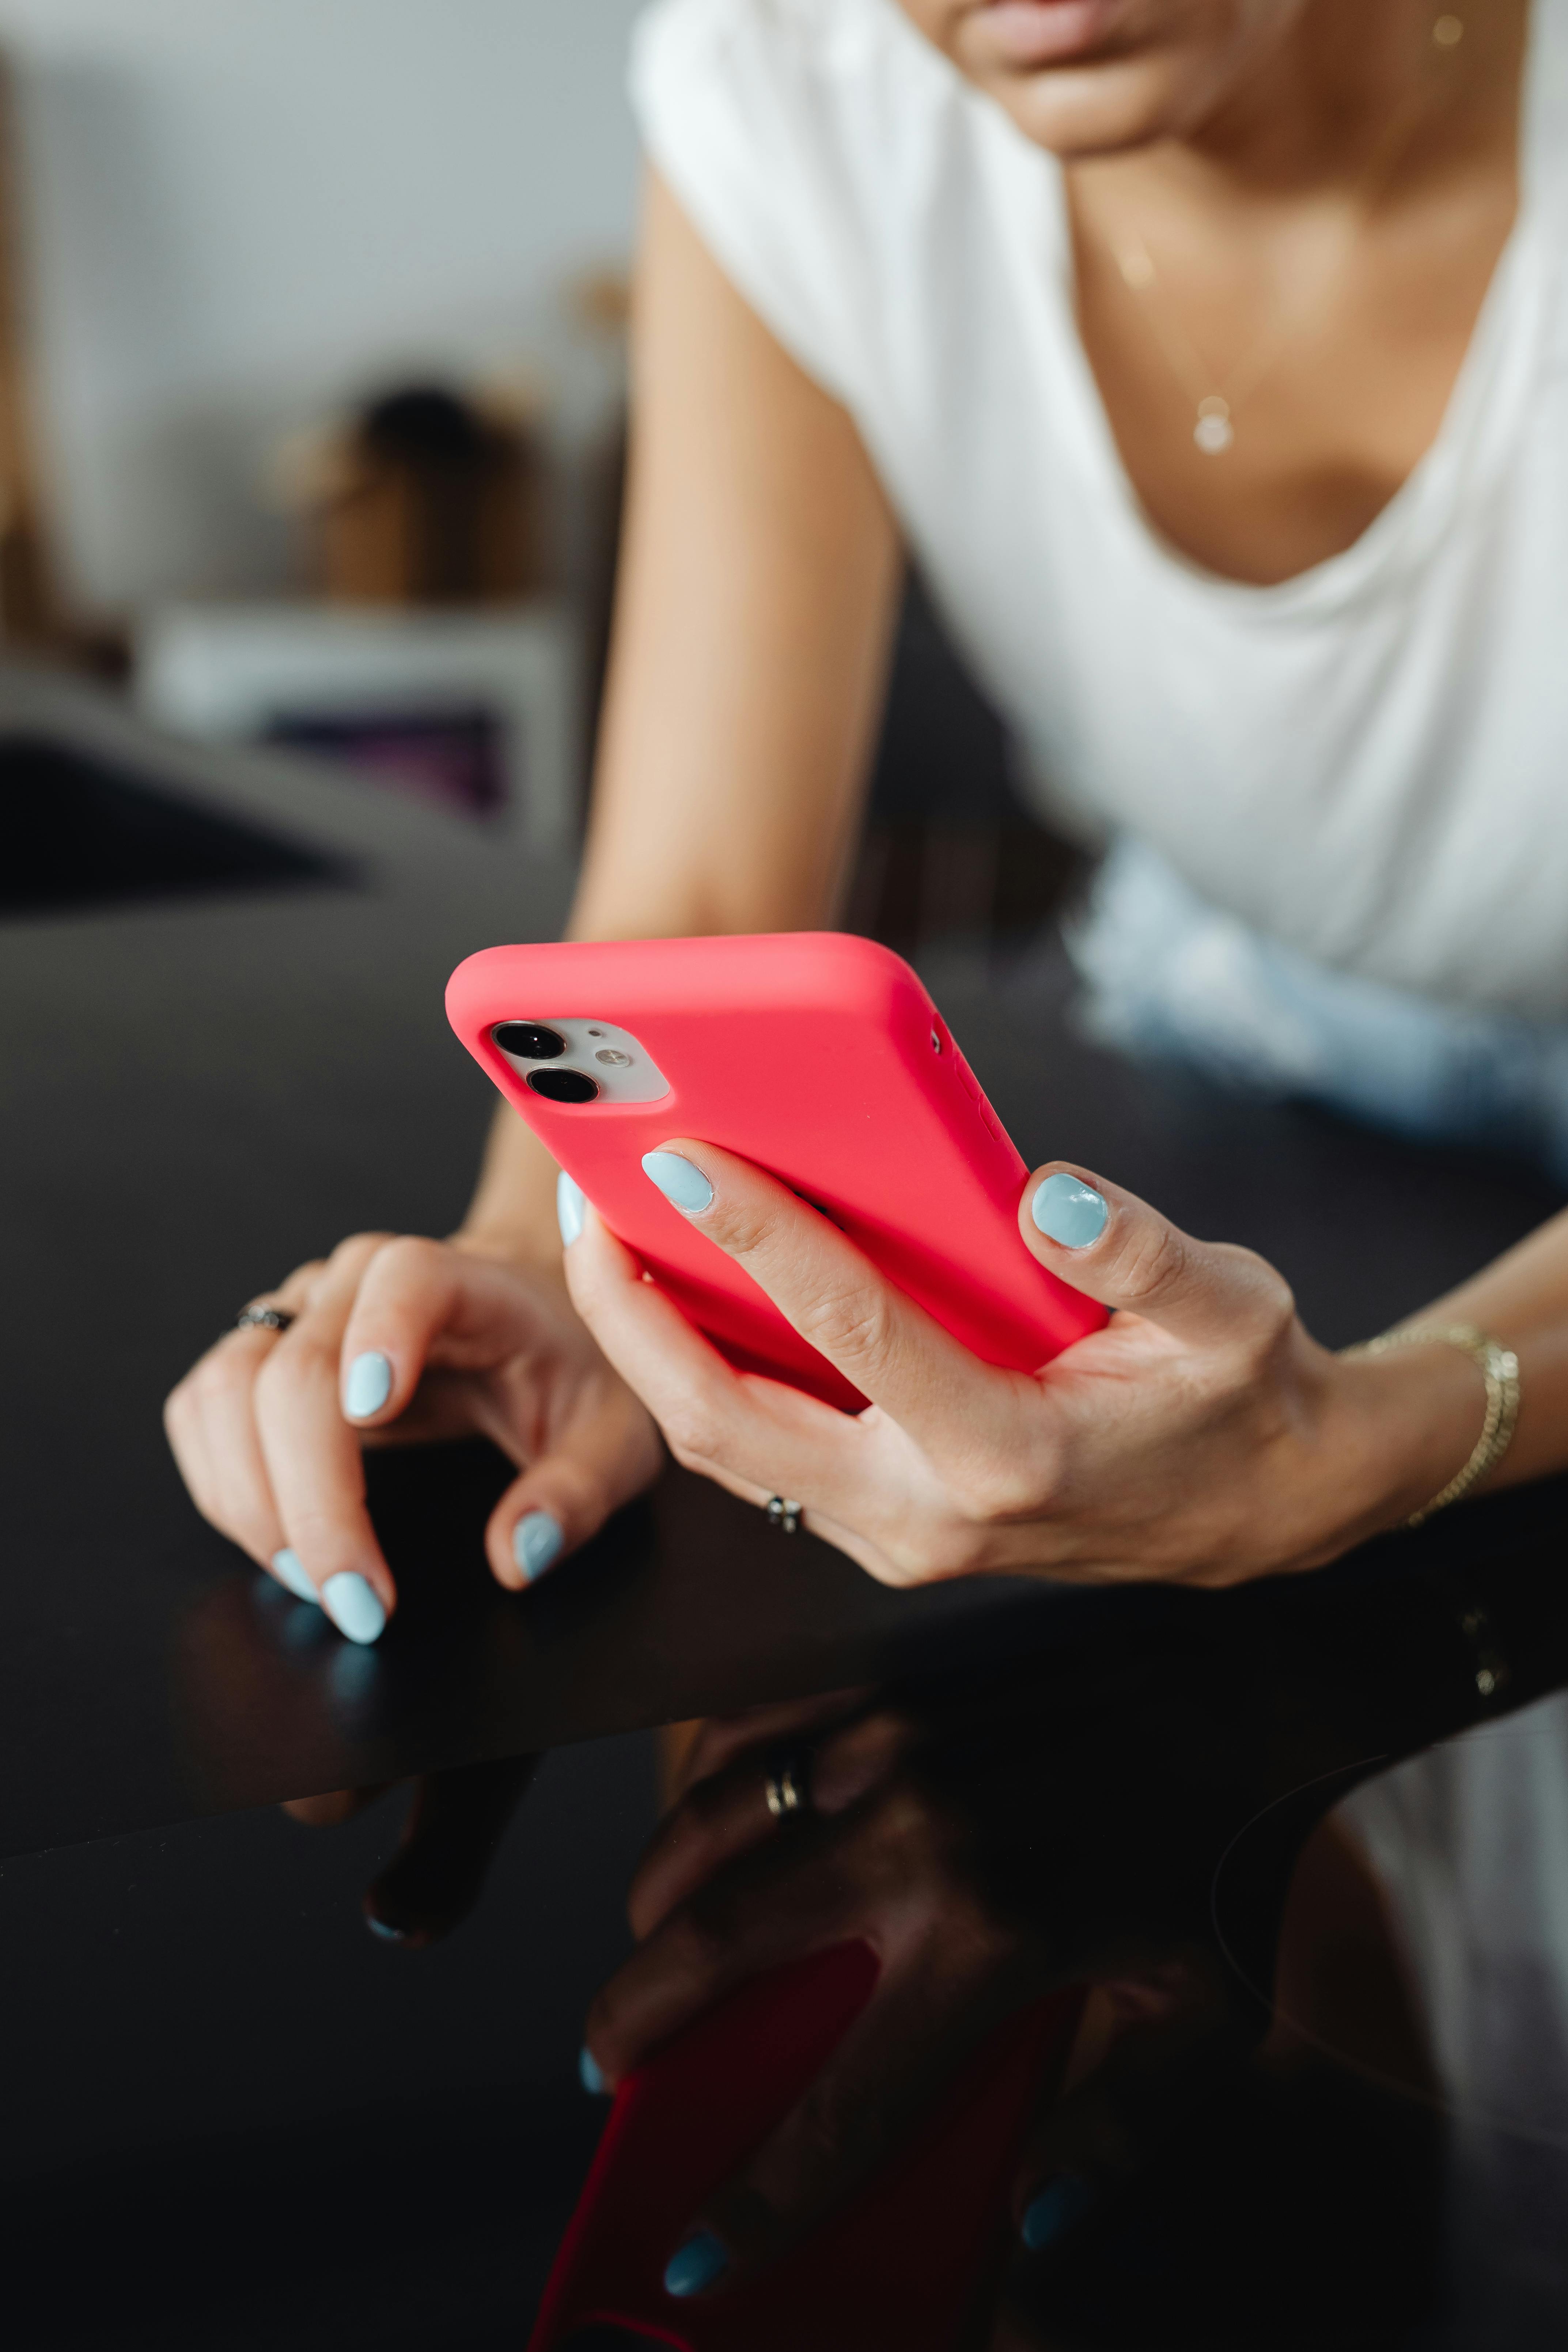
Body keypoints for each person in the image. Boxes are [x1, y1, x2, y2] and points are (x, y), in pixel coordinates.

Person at [167, 0, 1568, 1643]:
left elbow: (1352, 1443)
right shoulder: (787, 78)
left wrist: (1376, 1440)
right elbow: (695, 882)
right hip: (1237, 1014)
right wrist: (552, 1261)